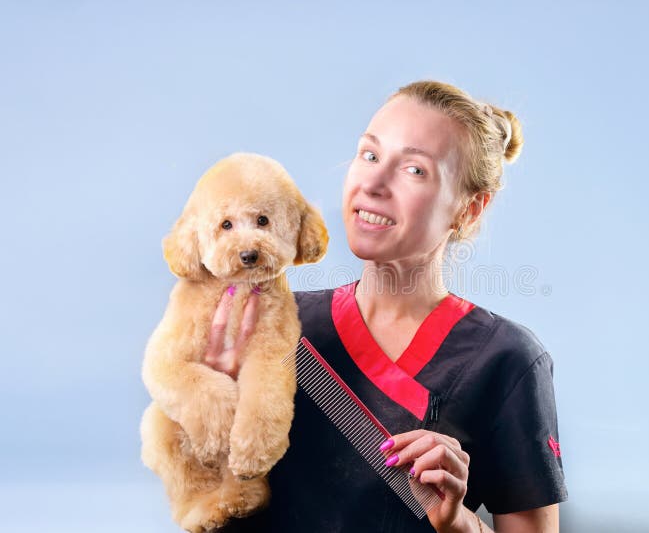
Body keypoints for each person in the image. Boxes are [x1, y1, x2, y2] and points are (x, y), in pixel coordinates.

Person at [203, 80, 568, 532]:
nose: (373, 183)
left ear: (469, 210)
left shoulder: (507, 362)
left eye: (414, 170)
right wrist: (211, 410)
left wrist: (457, 523)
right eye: (370, 155)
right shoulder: (272, 323)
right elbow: (209, 508)